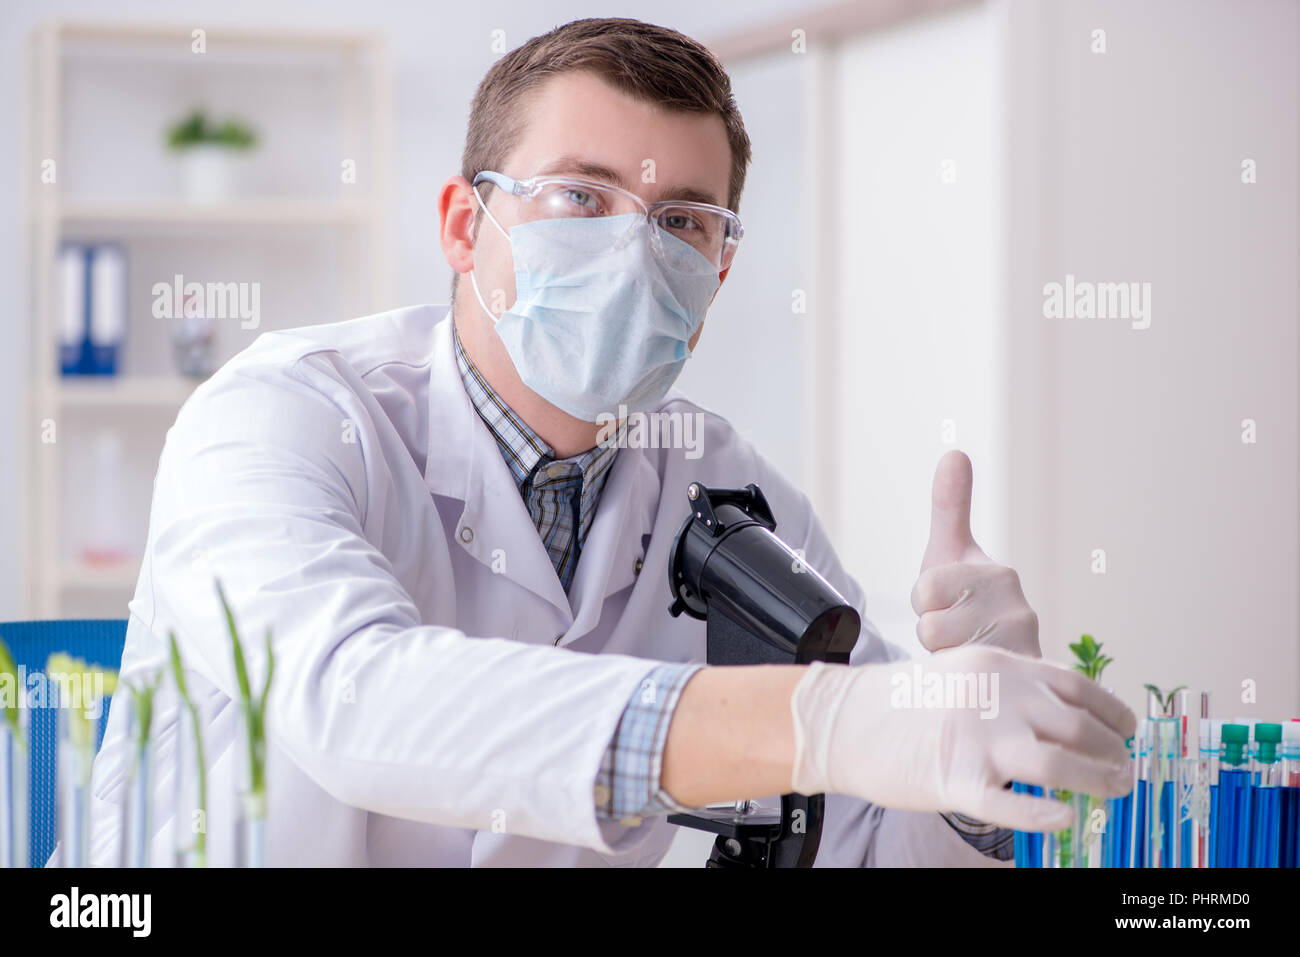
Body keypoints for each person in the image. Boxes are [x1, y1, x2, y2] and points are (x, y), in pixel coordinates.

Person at [74, 17, 1134, 867]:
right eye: (581, 195)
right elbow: (355, 699)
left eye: (682, 220)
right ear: (461, 225)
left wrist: (977, 763)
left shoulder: (722, 486)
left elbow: (863, 835)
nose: (633, 249)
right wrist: (823, 717)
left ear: (717, 273)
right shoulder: (280, 417)